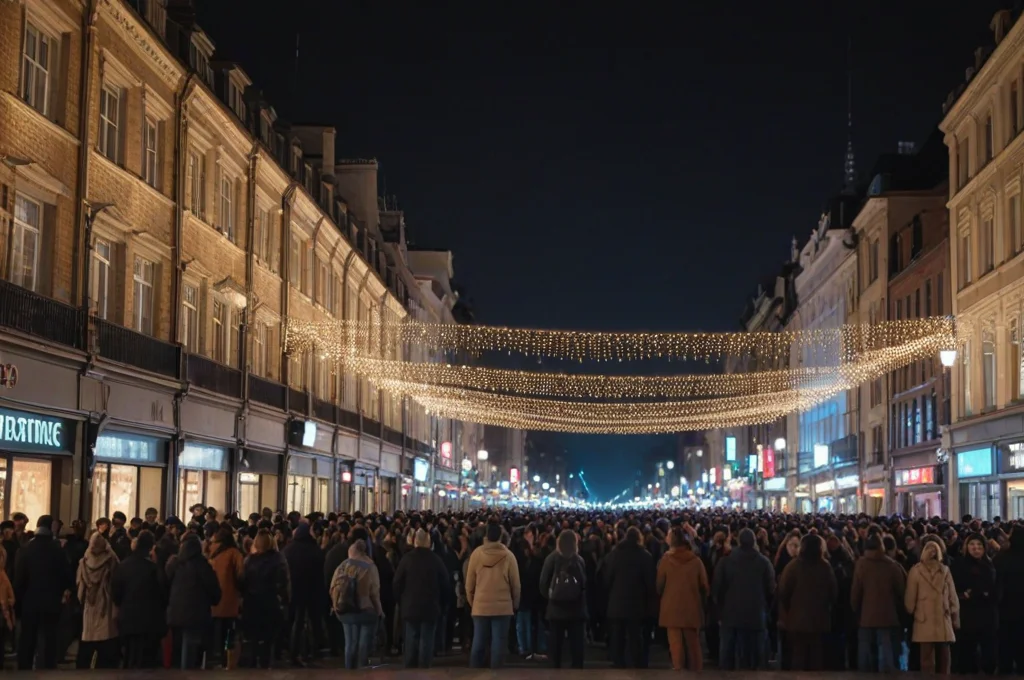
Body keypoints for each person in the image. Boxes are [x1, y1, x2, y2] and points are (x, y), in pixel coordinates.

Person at [14, 514, 71, 670]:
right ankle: (48, 669)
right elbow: (67, 576)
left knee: (28, 638)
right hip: (51, 602)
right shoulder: (57, 550)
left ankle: (24, 670)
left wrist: (18, 604)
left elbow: (19, 580)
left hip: (29, 602)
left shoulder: (25, 549)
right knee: (49, 638)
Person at [713, 527, 775, 670]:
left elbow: (717, 588)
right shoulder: (764, 562)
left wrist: (720, 610)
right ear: (754, 542)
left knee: (728, 657)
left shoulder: (726, 561)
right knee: (754, 659)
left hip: (730, 615)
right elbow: (771, 589)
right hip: (756, 615)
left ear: (739, 541)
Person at [777, 533, 838, 671]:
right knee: (816, 656)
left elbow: (783, 592)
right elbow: (833, 592)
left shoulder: (793, 567)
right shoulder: (825, 567)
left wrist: (787, 612)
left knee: (798, 656)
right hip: (819, 618)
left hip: (796, 619)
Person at [465, 521, 521, 669]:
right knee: (499, 643)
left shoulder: (477, 554)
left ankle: (474, 673)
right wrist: (514, 604)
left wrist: (473, 602)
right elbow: (515, 585)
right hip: (502, 607)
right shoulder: (509, 556)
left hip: (481, 605)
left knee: (479, 642)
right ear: (501, 536)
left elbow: (469, 583)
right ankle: (496, 674)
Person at [393, 528, 450, 668]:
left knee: (411, 637)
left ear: (415, 542)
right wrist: (443, 605)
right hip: (431, 607)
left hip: (410, 606)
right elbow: (445, 585)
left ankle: (410, 667)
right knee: (427, 639)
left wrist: (401, 601)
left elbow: (397, 583)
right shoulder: (436, 560)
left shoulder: (407, 559)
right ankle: (424, 668)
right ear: (429, 543)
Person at [850, 532, 906, 673]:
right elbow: (900, 590)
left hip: (866, 613)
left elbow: (856, 590)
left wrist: (855, 608)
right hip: (887, 613)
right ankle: (886, 674)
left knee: (864, 646)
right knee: (885, 646)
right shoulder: (892, 565)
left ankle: (865, 674)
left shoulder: (861, 564)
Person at [602, 525, 656, 668]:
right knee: (635, 636)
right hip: (637, 603)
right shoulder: (645, 556)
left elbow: (607, 579)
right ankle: (636, 664)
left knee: (617, 636)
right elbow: (650, 583)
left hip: (616, 602)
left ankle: (618, 663)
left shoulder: (614, 554)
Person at [111, 530, 166, 669]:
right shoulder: (153, 568)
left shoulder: (123, 566)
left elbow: (116, 592)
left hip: (128, 616)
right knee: (146, 660)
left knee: (129, 655)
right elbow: (162, 592)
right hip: (149, 619)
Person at [167, 533, 222, 669]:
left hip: (176, 610)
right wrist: (215, 600)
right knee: (190, 646)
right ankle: (187, 672)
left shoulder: (174, 563)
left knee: (179, 645)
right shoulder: (203, 565)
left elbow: (166, 584)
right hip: (196, 611)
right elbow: (213, 587)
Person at [657, 527, 708, 672]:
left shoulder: (666, 561)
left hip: (671, 606)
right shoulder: (696, 561)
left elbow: (659, 585)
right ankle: (696, 672)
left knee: (675, 644)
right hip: (692, 606)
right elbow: (704, 585)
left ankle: (678, 672)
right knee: (693, 644)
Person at [905, 537, 958, 674]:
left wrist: (954, 614)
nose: (932, 552)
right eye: (929, 549)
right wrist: (910, 609)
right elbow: (911, 595)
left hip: (942, 615)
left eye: (934, 549)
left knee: (944, 656)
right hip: (925, 617)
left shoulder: (945, 570)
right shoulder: (916, 571)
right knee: (927, 657)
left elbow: (952, 595)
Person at [241, 529, 290, 669]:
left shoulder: (249, 560)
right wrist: (285, 599)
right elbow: (283, 582)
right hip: (271, 601)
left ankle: (252, 662)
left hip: (252, 602)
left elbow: (242, 581)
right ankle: (265, 663)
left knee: (254, 636)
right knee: (268, 636)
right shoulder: (278, 559)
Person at [331, 538, 383, 669]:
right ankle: (361, 671)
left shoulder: (342, 566)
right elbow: (374, 593)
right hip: (365, 610)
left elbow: (333, 587)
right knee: (363, 644)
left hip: (345, 610)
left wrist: (335, 606)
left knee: (349, 643)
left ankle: (349, 670)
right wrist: (379, 611)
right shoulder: (370, 567)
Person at [539, 528, 587, 669]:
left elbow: (543, 583)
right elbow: (584, 584)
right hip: (576, 608)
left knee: (556, 645)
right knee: (577, 645)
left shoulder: (551, 558)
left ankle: (556, 670)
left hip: (556, 608)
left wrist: (550, 596)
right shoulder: (579, 560)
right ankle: (577, 671)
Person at [952, 532, 998, 674]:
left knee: (988, 648)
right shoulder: (959, 564)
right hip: (967, 613)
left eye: (979, 545)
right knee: (967, 650)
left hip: (986, 613)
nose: (975, 548)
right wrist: (963, 595)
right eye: (972, 544)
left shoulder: (989, 564)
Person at [283, 521, 326, 667]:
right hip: (312, 591)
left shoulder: (288, 550)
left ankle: (293, 651)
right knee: (313, 621)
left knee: (296, 621)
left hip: (294, 591)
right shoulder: (315, 549)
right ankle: (313, 651)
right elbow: (321, 572)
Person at [75, 532, 120, 668]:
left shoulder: (84, 561)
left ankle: (83, 666)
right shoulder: (110, 560)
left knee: (88, 636)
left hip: (90, 603)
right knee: (105, 635)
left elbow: (79, 583)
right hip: (105, 604)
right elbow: (118, 572)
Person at [208, 526, 245, 668]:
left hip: (213, 598)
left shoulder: (210, 551)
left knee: (215, 628)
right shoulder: (234, 553)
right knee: (229, 630)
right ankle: (227, 659)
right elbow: (241, 575)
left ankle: (214, 656)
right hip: (230, 597)